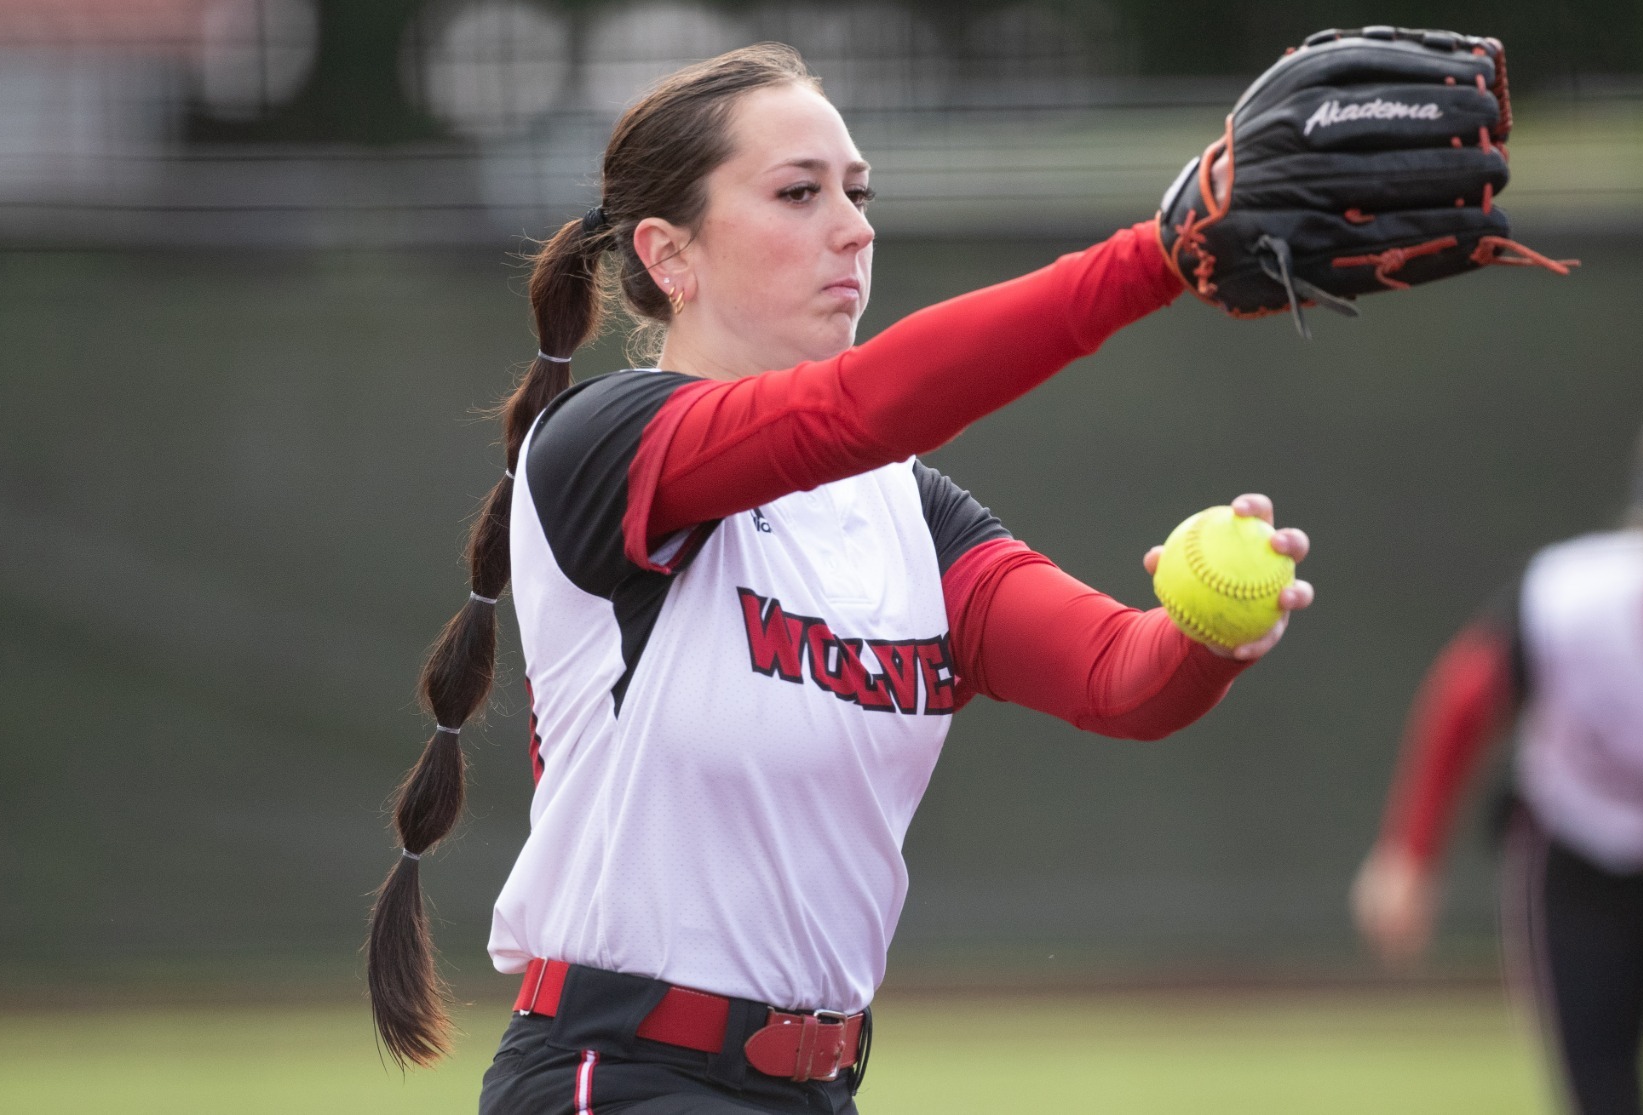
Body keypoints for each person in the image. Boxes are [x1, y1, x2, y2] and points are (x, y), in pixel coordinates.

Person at [367, 44, 1314, 1113]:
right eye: (798, 193)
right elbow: (855, 410)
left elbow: (1116, 675)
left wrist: (1210, 636)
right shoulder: (603, 446)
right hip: (619, 1076)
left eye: (856, 193)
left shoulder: (904, 512)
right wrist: (1149, 260)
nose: (852, 228)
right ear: (667, 254)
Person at [1353, 389, 1643, 1115]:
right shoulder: (1575, 602)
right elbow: (1464, 701)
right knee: (1602, 1097)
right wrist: (1409, 856)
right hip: (1585, 868)